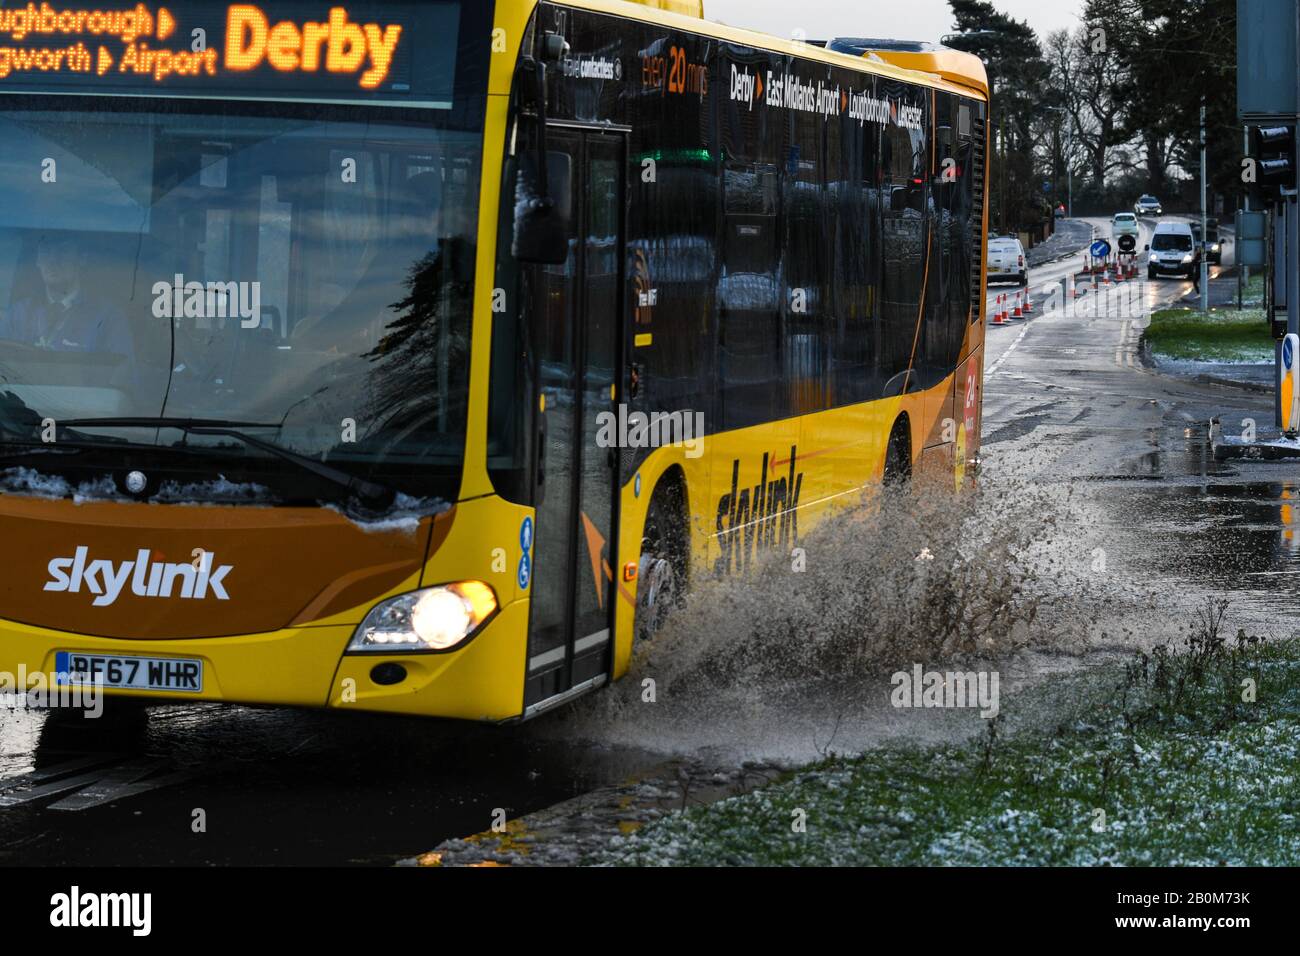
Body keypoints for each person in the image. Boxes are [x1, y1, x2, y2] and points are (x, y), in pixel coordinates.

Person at [0, 233, 130, 355]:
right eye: (46, 252)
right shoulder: (18, 314)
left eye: (62, 252)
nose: (52, 261)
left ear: (81, 259)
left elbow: (124, 375)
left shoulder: (108, 317)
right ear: (37, 261)